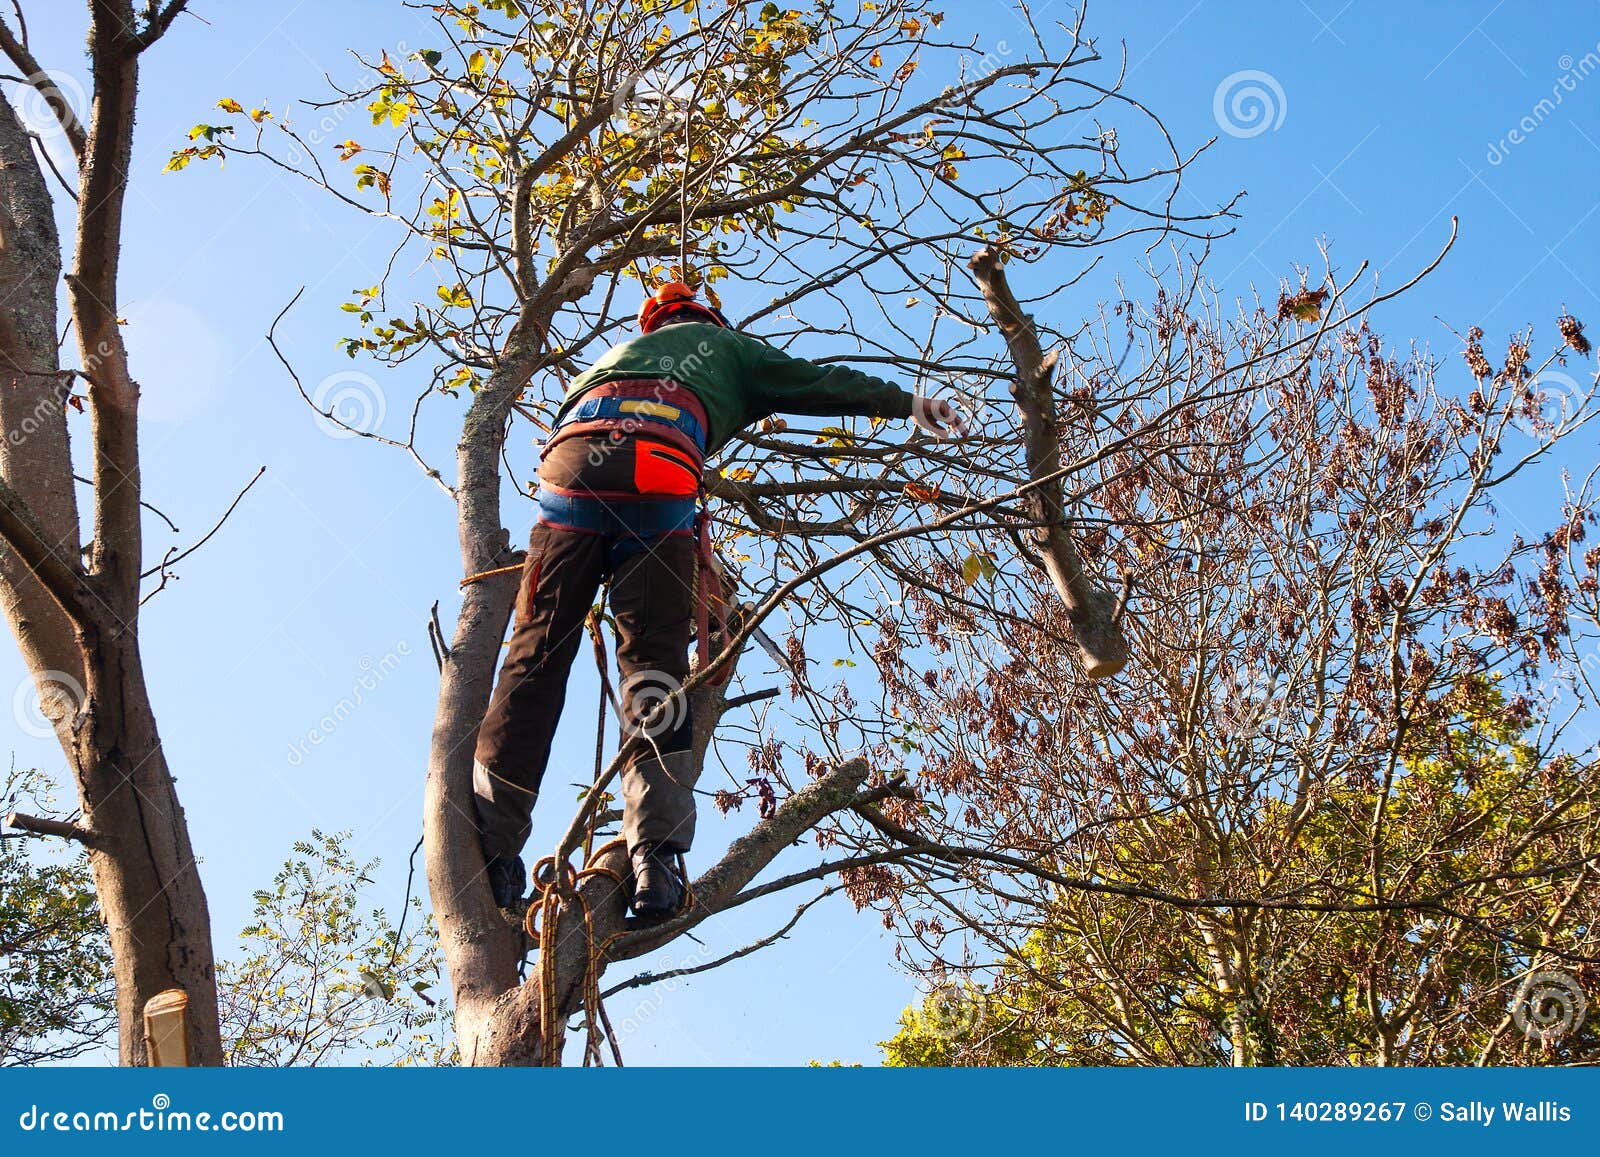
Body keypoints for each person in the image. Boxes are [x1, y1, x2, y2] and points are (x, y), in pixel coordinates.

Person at [473, 282, 966, 919]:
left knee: (535, 658)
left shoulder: (615, 355)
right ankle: (654, 859)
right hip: (659, 468)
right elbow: (821, 384)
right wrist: (912, 405)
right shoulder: (730, 348)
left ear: (652, 322)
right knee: (652, 669)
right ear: (707, 319)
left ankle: (490, 844)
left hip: (569, 473)